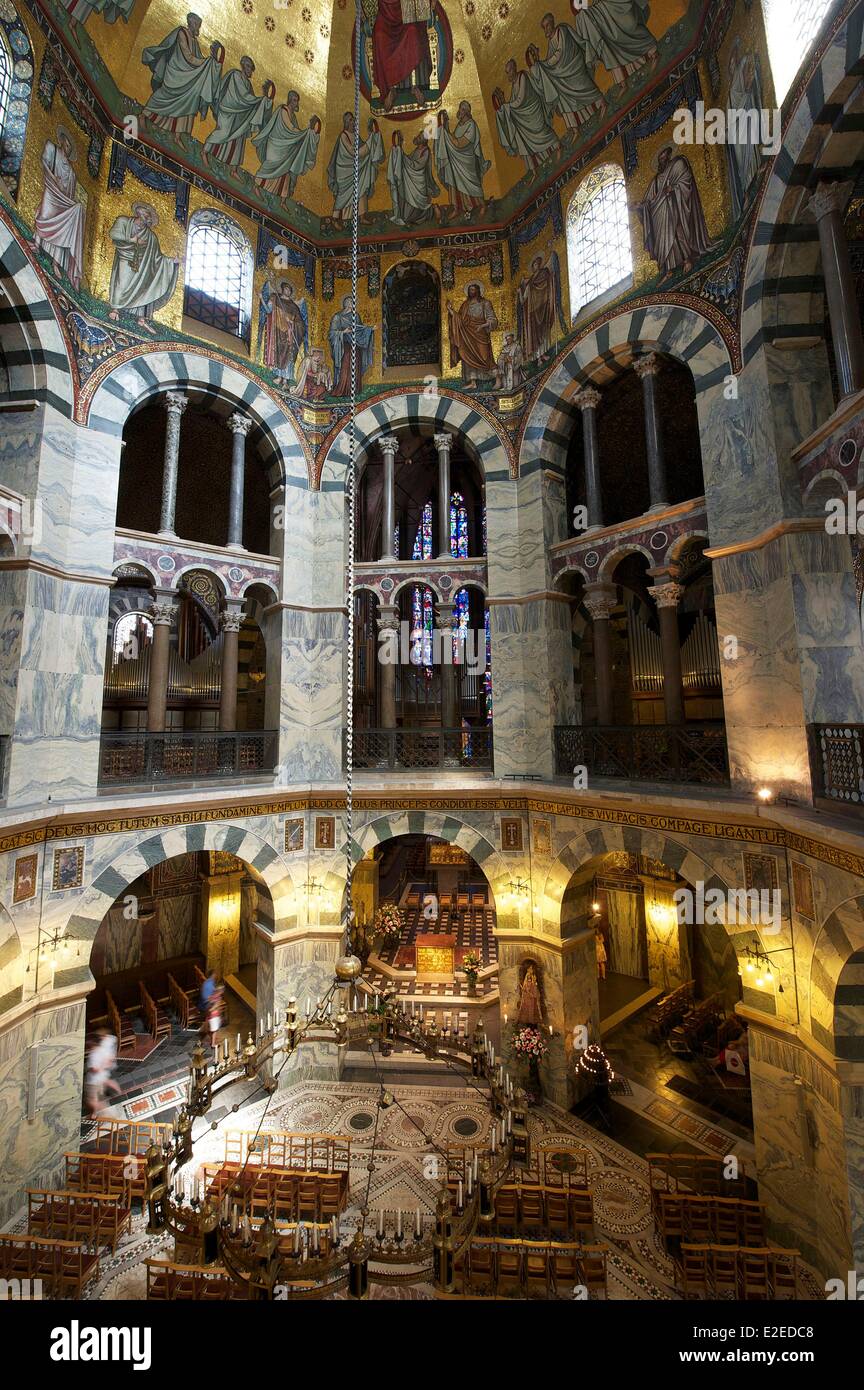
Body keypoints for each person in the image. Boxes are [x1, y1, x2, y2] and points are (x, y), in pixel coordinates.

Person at [635, 145, 714, 286]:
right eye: (660, 158)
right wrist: (639, 207)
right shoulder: (656, 179)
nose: (662, 160)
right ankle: (668, 271)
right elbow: (649, 200)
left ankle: (687, 260)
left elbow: (686, 180)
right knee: (664, 241)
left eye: (664, 156)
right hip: (660, 214)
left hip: (673, 207)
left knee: (678, 233)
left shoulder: (677, 164)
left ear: (669, 156)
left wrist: (674, 188)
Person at [107, 203, 179, 334]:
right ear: (138, 213)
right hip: (125, 257)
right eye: (145, 215)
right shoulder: (123, 221)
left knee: (144, 287)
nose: (147, 218)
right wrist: (132, 240)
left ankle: (141, 318)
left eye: (149, 217)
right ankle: (115, 309)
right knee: (121, 282)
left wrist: (171, 262)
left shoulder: (151, 236)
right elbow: (113, 233)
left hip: (143, 266)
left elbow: (158, 257)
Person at [34, 128, 85, 291]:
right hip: (51, 189)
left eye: (70, 146)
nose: (68, 147)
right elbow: (44, 162)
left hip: (63, 200)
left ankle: (56, 262)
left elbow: (70, 190)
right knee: (47, 209)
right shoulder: (51, 148)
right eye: (67, 143)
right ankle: (36, 243)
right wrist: (53, 177)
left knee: (76, 211)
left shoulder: (71, 170)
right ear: (61, 140)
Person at [447, 282, 498, 386]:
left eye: (473, 290)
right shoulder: (465, 305)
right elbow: (459, 319)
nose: (471, 292)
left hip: (481, 333)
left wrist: (482, 326)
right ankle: (473, 381)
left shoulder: (485, 303)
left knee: (485, 357)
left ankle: (497, 379)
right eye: (470, 290)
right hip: (467, 335)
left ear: (478, 291)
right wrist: (450, 310)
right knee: (468, 356)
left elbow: (492, 319)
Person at [85, 1027, 122, 1116]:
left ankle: (109, 1112)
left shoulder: (94, 1054)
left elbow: (94, 1069)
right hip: (101, 1078)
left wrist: (95, 1068)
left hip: (93, 1081)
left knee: (91, 1100)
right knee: (98, 1097)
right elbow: (109, 1060)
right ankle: (95, 1112)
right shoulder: (104, 1047)